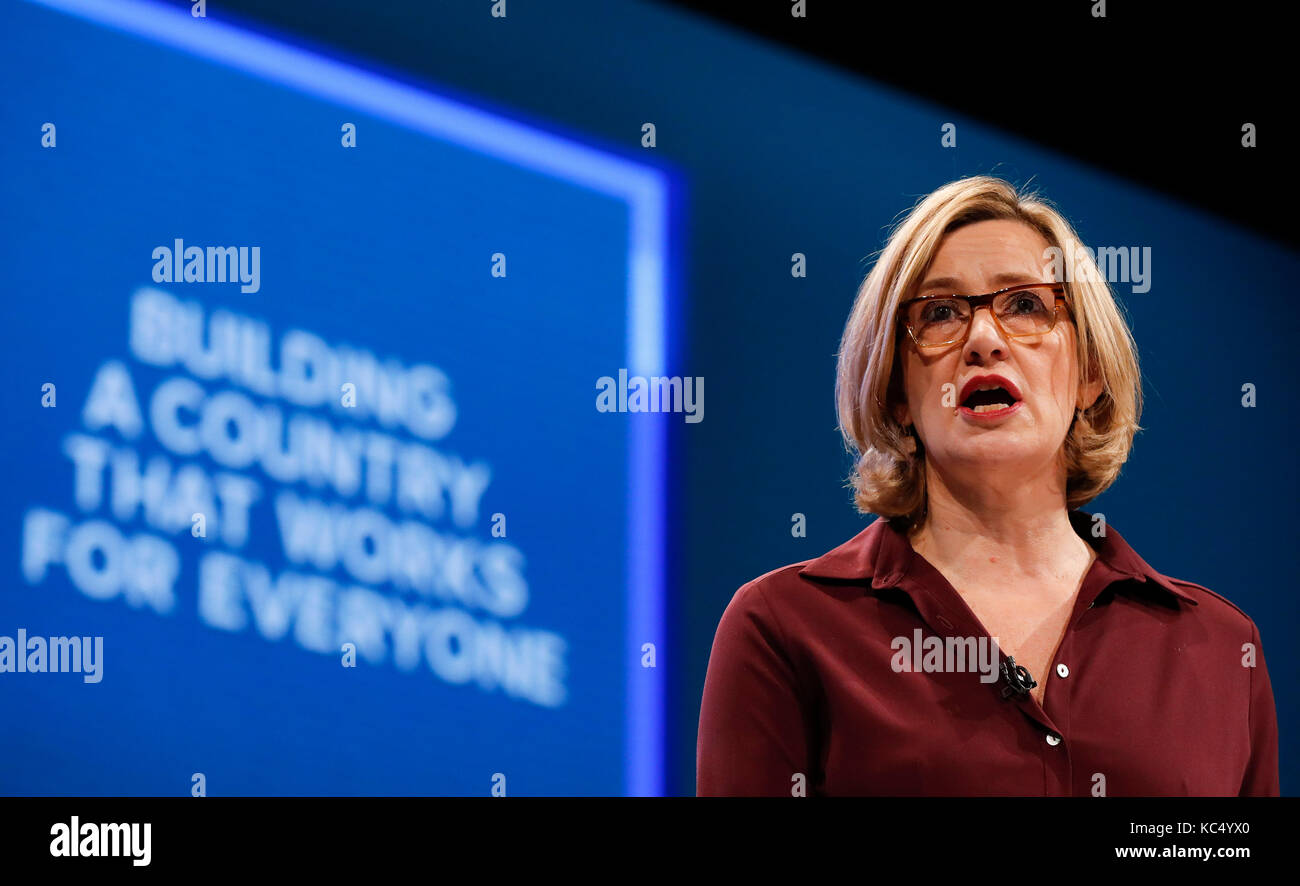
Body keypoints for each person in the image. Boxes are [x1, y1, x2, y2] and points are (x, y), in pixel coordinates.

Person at [696, 175, 1279, 796]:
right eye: (939, 314)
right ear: (896, 392)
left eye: (1026, 305)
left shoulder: (1220, 646)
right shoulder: (786, 625)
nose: (982, 340)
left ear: (1089, 375)